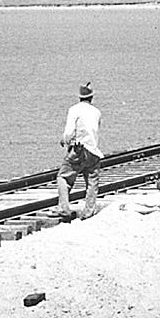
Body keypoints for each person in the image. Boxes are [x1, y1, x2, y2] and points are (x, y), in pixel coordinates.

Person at [56, 82, 103, 220]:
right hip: (93, 151)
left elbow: (69, 132)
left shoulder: (74, 109)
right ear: (91, 97)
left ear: (79, 97)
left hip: (79, 149)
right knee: (92, 181)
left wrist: (64, 140)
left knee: (63, 177)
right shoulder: (97, 112)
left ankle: (64, 209)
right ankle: (89, 212)